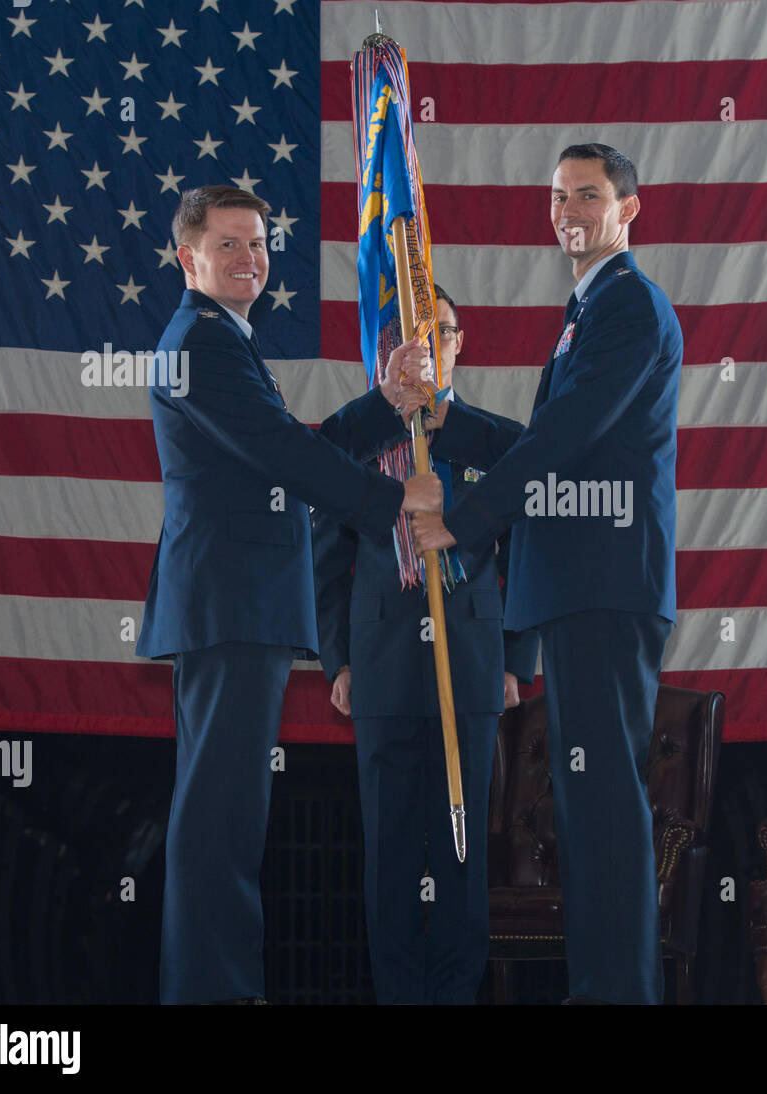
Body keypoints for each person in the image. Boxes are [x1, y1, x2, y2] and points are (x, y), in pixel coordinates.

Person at [135, 185, 441, 1005]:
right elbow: (282, 454)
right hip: (231, 602)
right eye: (228, 244)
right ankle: (215, 993)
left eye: (258, 242)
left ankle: (215, 988)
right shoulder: (201, 343)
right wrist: (391, 504)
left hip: (238, 602)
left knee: (226, 816)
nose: (249, 258)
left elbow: (286, 453)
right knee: (220, 821)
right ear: (186, 258)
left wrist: (384, 405)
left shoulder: (222, 341)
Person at [403, 144, 683, 1004]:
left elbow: (564, 440)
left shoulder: (629, 305)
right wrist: (446, 422)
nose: (568, 209)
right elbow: (549, 439)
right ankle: (602, 987)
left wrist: (464, 523)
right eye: (558, 194)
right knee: (585, 803)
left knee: (601, 807)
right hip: (575, 587)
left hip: (602, 582)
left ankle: (616, 993)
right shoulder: (587, 310)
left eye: (588, 195)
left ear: (629, 209)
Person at [312, 285, 539, 1004]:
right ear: (388, 350)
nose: (425, 345)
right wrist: (336, 658)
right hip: (379, 667)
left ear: (459, 340)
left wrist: (514, 659)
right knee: (390, 855)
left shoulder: (498, 438)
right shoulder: (358, 439)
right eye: (409, 334)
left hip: (470, 668)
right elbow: (324, 557)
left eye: (437, 331)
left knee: (460, 855)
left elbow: (527, 553)